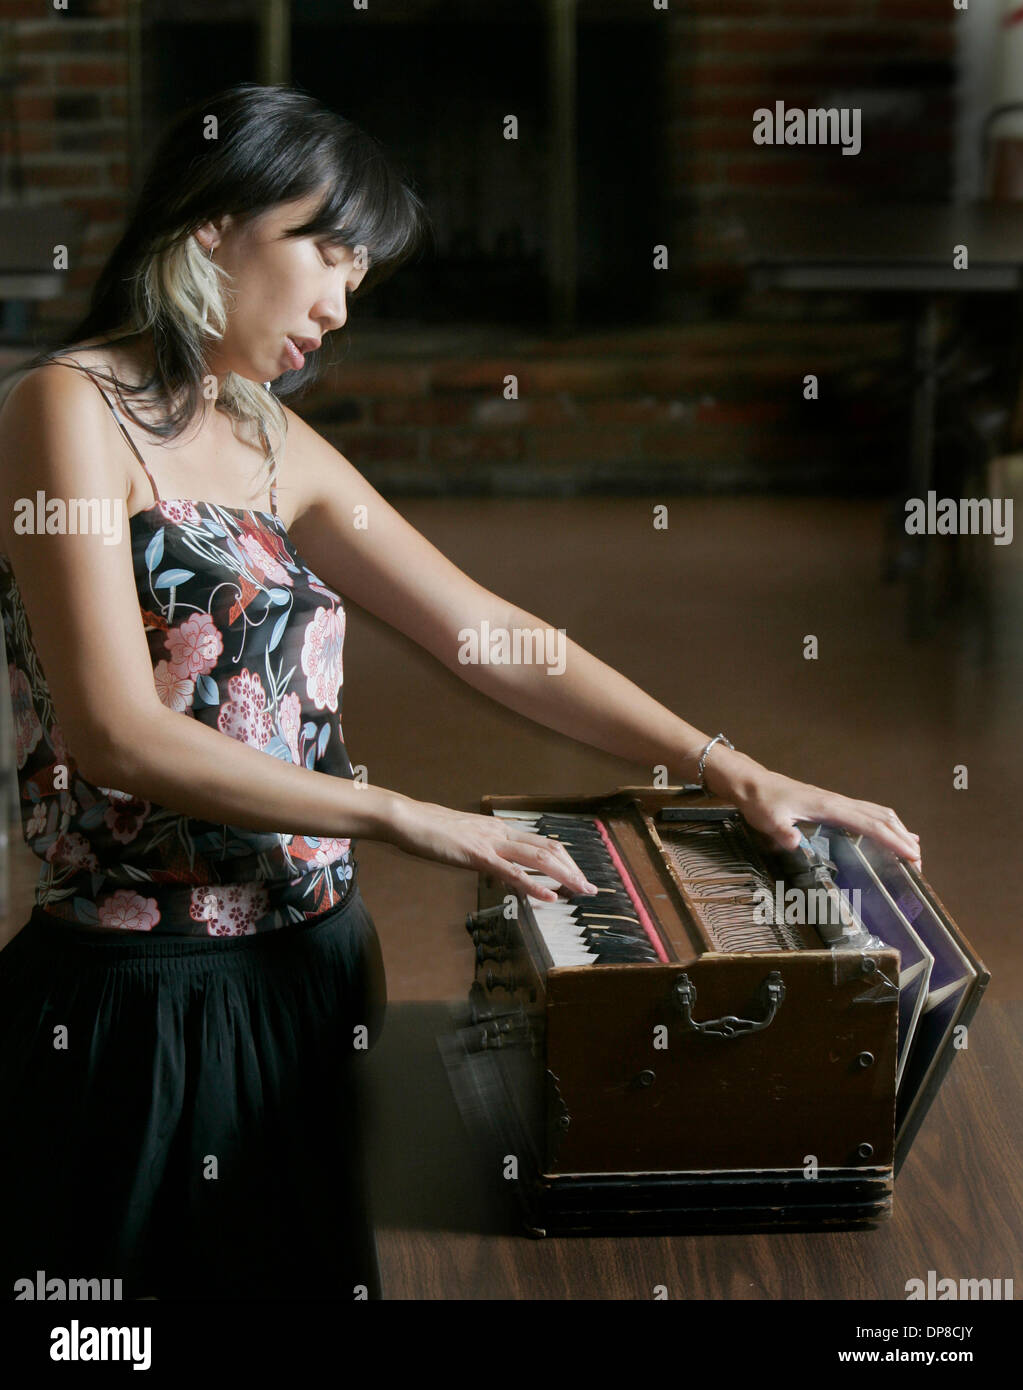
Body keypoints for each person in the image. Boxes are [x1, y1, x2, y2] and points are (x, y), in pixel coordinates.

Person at [0, 84, 922, 1303]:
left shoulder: (268, 436)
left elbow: (489, 632)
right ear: (212, 222)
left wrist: (725, 763)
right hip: (143, 996)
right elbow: (114, 731)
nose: (340, 304)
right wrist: (408, 817)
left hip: (318, 960)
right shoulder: (65, 408)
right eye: (325, 253)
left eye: (360, 274)